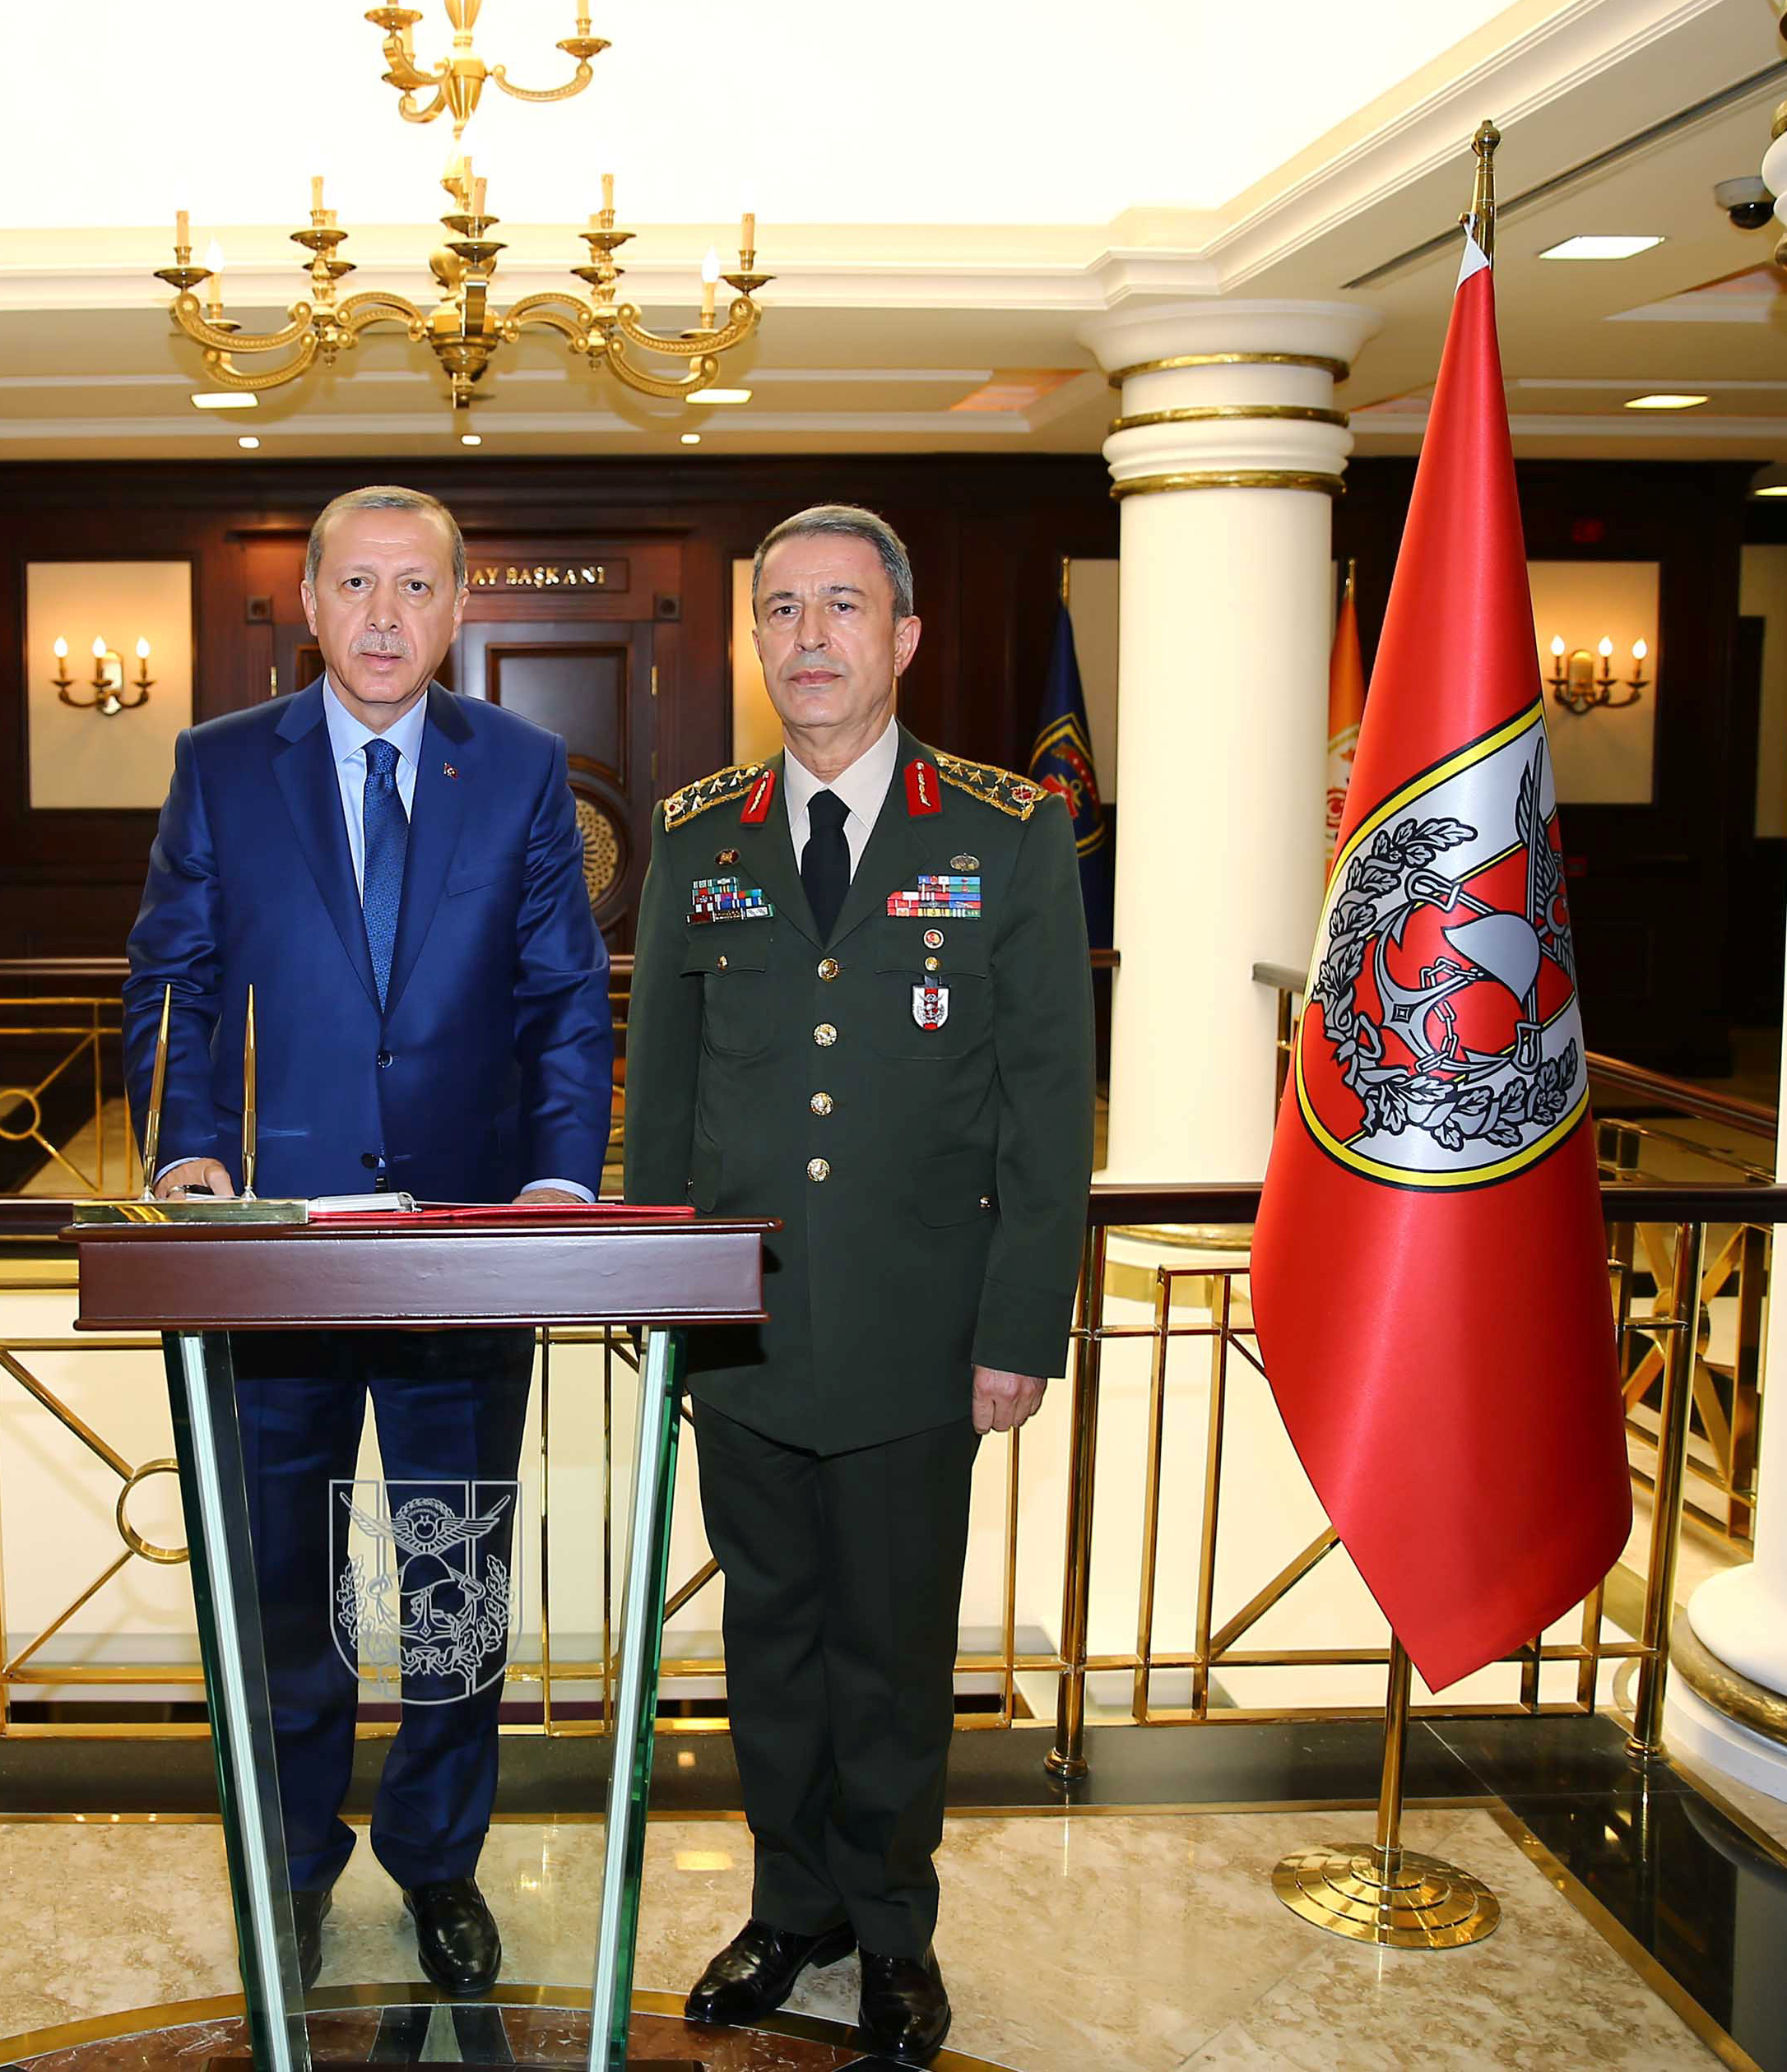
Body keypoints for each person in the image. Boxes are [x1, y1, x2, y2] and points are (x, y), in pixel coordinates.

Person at [123, 484, 613, 1996]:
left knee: (452, 1573)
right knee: (282, 1577)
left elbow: (562, 996)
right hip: (274, 1252)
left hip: (466, 1254)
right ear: (311, 604)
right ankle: (290, 1861)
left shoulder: (520, 768)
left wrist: (560, 1180)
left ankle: (439, 1861)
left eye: (415, 587)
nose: (385, 616)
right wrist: (185, 1149)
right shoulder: (221, 766)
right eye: (356, 585)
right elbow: (172, 982)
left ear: (458, 609)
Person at [622, 503, 1093, 2065]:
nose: (809, 637)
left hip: (918, 1335)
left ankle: (891, 1929)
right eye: (781, 610)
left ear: (903, 638)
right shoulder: (701, 833)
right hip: (744, 1331)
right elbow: (662, 1103)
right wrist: (663, 1305)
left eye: (842, 607)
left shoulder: (1005, 832)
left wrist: (1019, 1327)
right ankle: (792, 1910)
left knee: (891, 1650)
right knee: (769, 1644)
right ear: (754, 641)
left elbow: (1045, 1109)